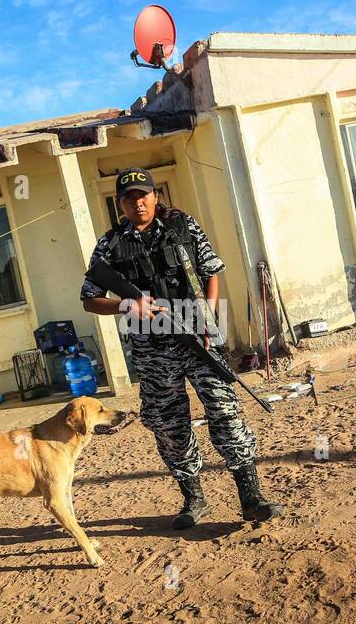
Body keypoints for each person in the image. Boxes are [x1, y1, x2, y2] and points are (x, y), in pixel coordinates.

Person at [80, 167, 281, 529]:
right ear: (120, 204)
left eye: (144, 195)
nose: (137, 202)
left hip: (197, 333)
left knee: (224, 410)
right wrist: (128, 305)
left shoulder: (182, 226)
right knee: (169, 424)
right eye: (129, 198)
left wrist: (208, 318)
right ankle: (194, 498)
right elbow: (89, 299)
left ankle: (250, 496)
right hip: (151, 346)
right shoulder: (109, 245)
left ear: (156, 197)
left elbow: (211, 271)